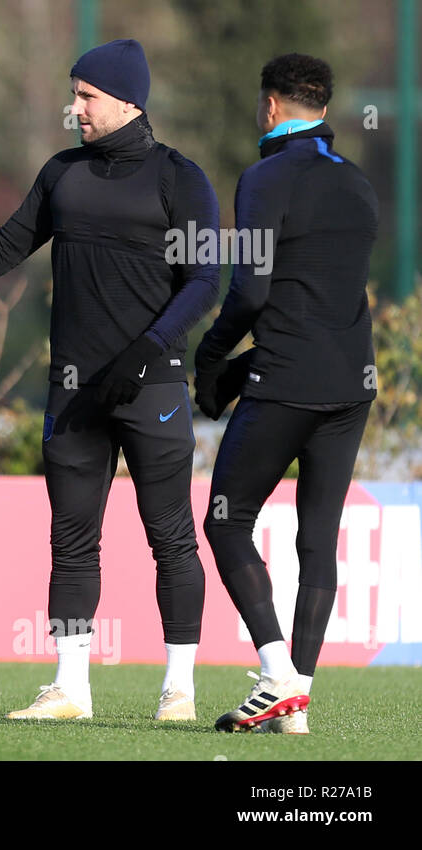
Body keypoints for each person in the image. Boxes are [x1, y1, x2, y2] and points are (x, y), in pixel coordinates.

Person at [0, 39, 220, 721]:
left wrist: (149, 349)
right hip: (73, 390)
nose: (76, 108)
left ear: (129, 99)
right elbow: (6, 246)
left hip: (150, 386)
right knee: (70, 538)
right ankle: (71, 688)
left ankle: (179, 690)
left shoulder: (180, 179)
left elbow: (207, 280)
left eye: (87, 96)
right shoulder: (63, 173)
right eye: (74, 93)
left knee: (171, 536)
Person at [196, 54, 378, 735]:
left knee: (225, 517)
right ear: (324, 106)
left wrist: (212, 358)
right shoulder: (358, 185)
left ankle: (276, 675)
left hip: (286, 379)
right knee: (317, 543)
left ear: (271, 106)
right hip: (351, 384)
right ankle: (293, 704)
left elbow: (251, 291)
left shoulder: (266, 177)